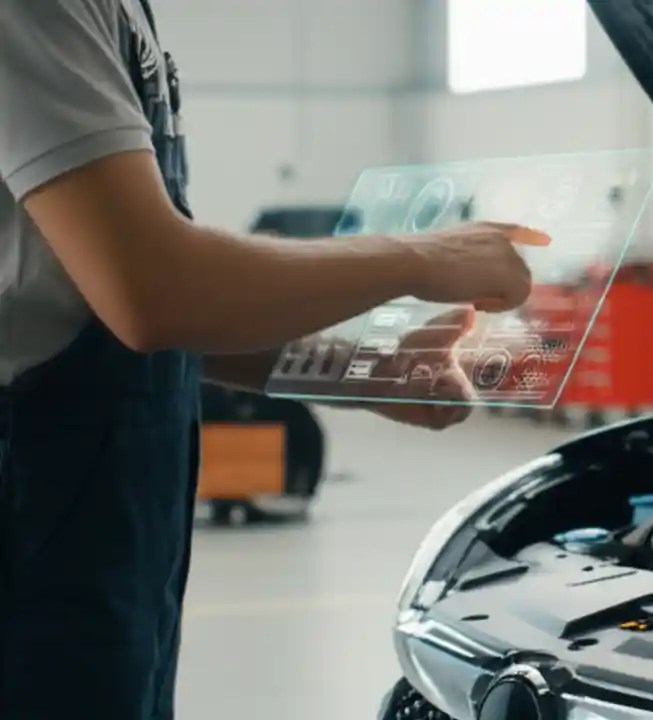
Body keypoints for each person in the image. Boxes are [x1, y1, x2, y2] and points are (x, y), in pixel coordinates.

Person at [0, 0, 548, 716]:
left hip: (105, 546)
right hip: (34, 536)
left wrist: (369, 372)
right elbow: (154, 287)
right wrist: (421, 257)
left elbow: (122, 305)